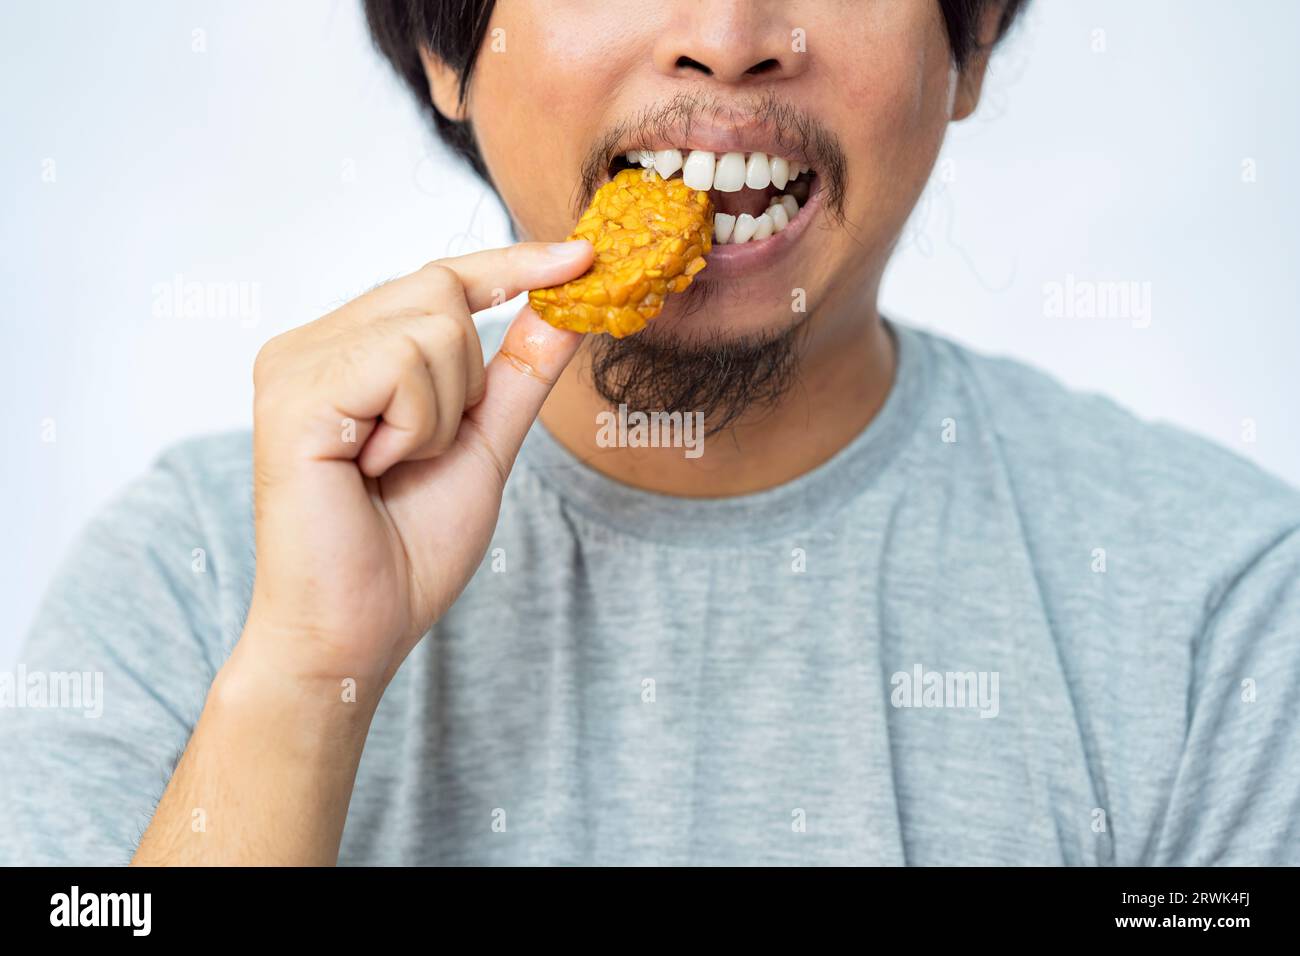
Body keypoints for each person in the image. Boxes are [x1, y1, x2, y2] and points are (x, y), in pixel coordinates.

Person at [2, 0, 1297, 866]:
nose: (729, 38)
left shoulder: (1218, 609)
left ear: (968, 48)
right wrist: (298, 687)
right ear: (450, 53)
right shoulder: (196, 582)